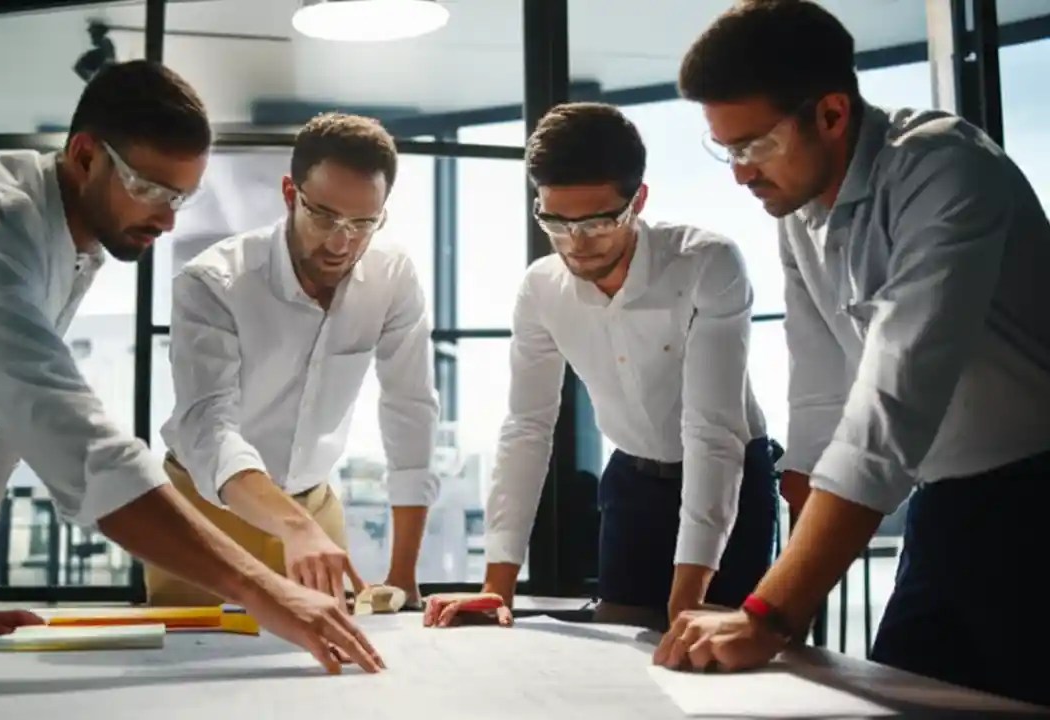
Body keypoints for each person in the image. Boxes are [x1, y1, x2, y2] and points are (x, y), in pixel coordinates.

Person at [0, 60, 382, 707]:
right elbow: (72, 436)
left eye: (180, 197)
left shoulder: (72, 248)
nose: (168, 220)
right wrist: (265, 590)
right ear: (86, 155)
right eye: (150, 188)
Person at [654, 0, 1050, 708]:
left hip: (1036, 496)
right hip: (943, 502)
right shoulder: (798, 208)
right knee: (891, 699)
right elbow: (821, 384)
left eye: (754, 146)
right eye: (728, 150)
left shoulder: (945, 170)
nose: (740, 175)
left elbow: (893, 397)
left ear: (832, 113)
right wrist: (792, 588)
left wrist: (767, 614)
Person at [424, 103, 778, 630]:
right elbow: (527, 428)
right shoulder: (541, 288)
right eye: (556, 222)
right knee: (623, 644)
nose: (576, 243)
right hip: (633, 481)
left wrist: (685, 601)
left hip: (732, 474)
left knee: (716, 651)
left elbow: (712, 431)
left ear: (639, 200)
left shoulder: (707, 262)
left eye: (598, 222)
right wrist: (497, 589)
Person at [147, 112, 439, 610]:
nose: (341, 243)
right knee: (194, 653)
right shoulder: (214, 282)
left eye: (363, 223)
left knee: (335, 655)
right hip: (203, 509)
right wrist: (293, 527)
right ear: (289, 194)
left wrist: (404, 574)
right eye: (324, 216)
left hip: (313, 506)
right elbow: (208, 428)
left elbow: (409, 409)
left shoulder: (391, 277)